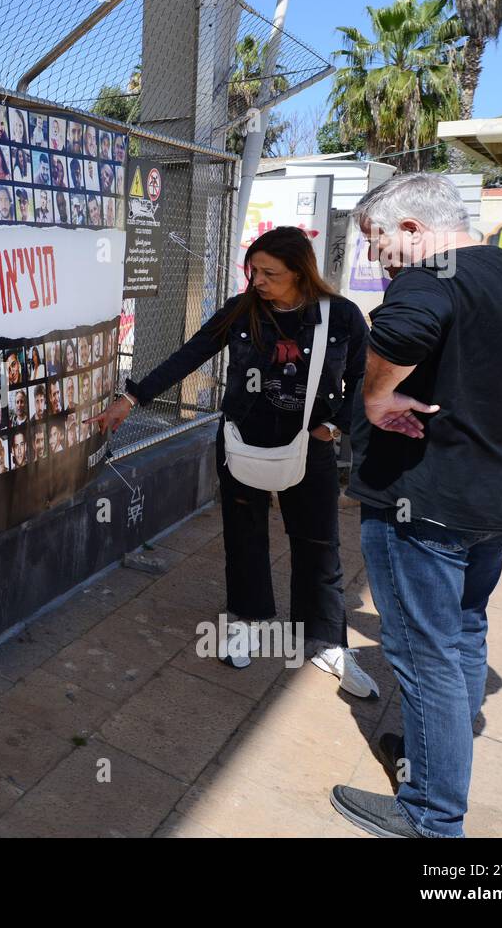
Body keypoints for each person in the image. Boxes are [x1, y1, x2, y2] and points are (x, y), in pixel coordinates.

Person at [325, 174, 502, 839]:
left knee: (424, 652)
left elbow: (402, 331)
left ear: (412, 227)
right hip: (496, 507)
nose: (380, 260)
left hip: (423, 505)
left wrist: (377, 400)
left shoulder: (434, 272)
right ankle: (432, 764)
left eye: (380, 243)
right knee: (463, 634)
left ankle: (432, 816)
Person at [90, 225, 378, 691]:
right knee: (244, 534)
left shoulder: (340, 316)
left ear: (301, 272)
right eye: (253, 270)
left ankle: (326, 639)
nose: (258, 281)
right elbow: (191, 354)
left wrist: (334, 427)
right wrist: (132, 398)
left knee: (319, 542)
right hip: (244, 438)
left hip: (311, 444)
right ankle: (248, 619)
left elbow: (364, 378)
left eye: (270, 273)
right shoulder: (243, 311)